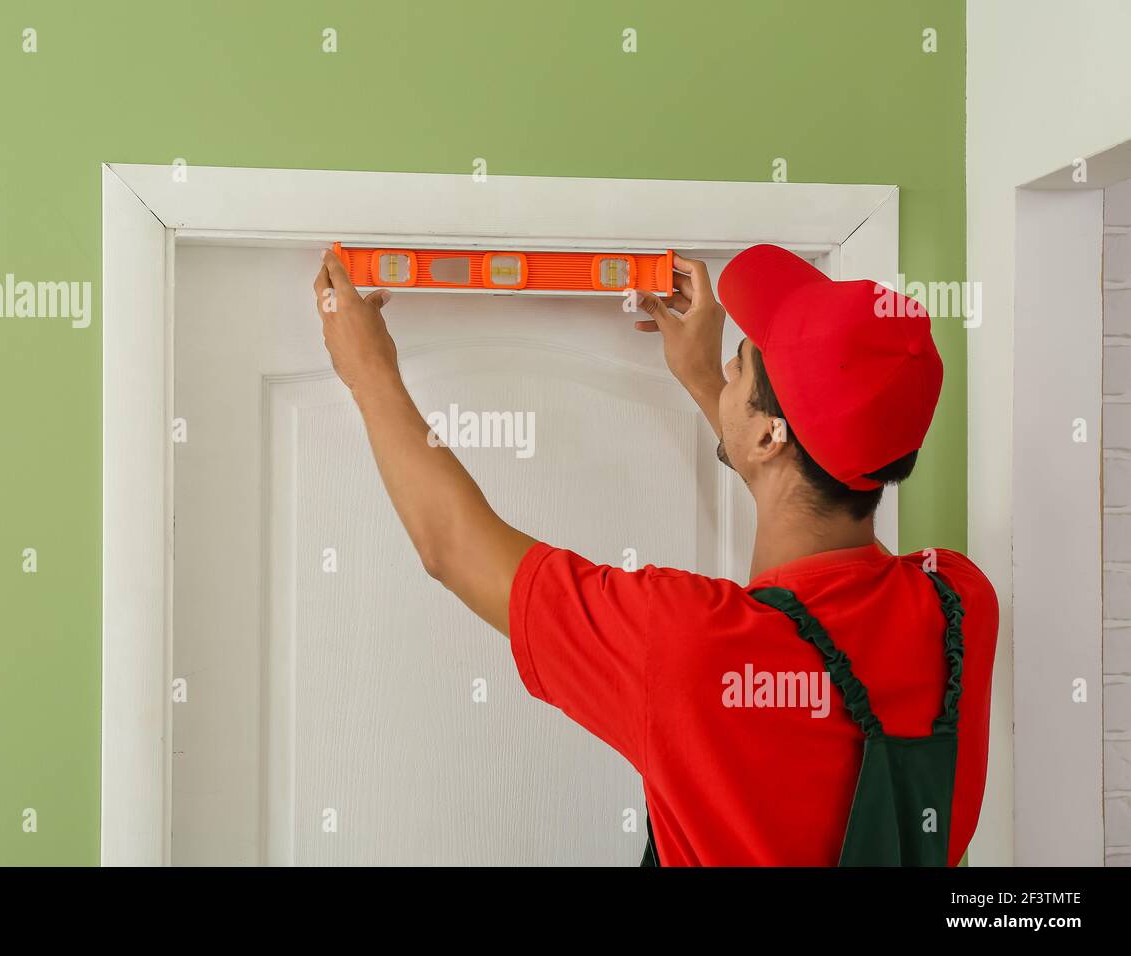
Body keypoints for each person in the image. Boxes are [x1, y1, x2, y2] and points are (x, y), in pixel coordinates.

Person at [311, 242, 998, 866]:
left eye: (742, 361)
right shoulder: (961, 603)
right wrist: (712, 384)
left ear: (768, 437)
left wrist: (370, 373)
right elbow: (813, 475)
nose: (730, 360)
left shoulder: (690, 645)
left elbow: (452, 547)